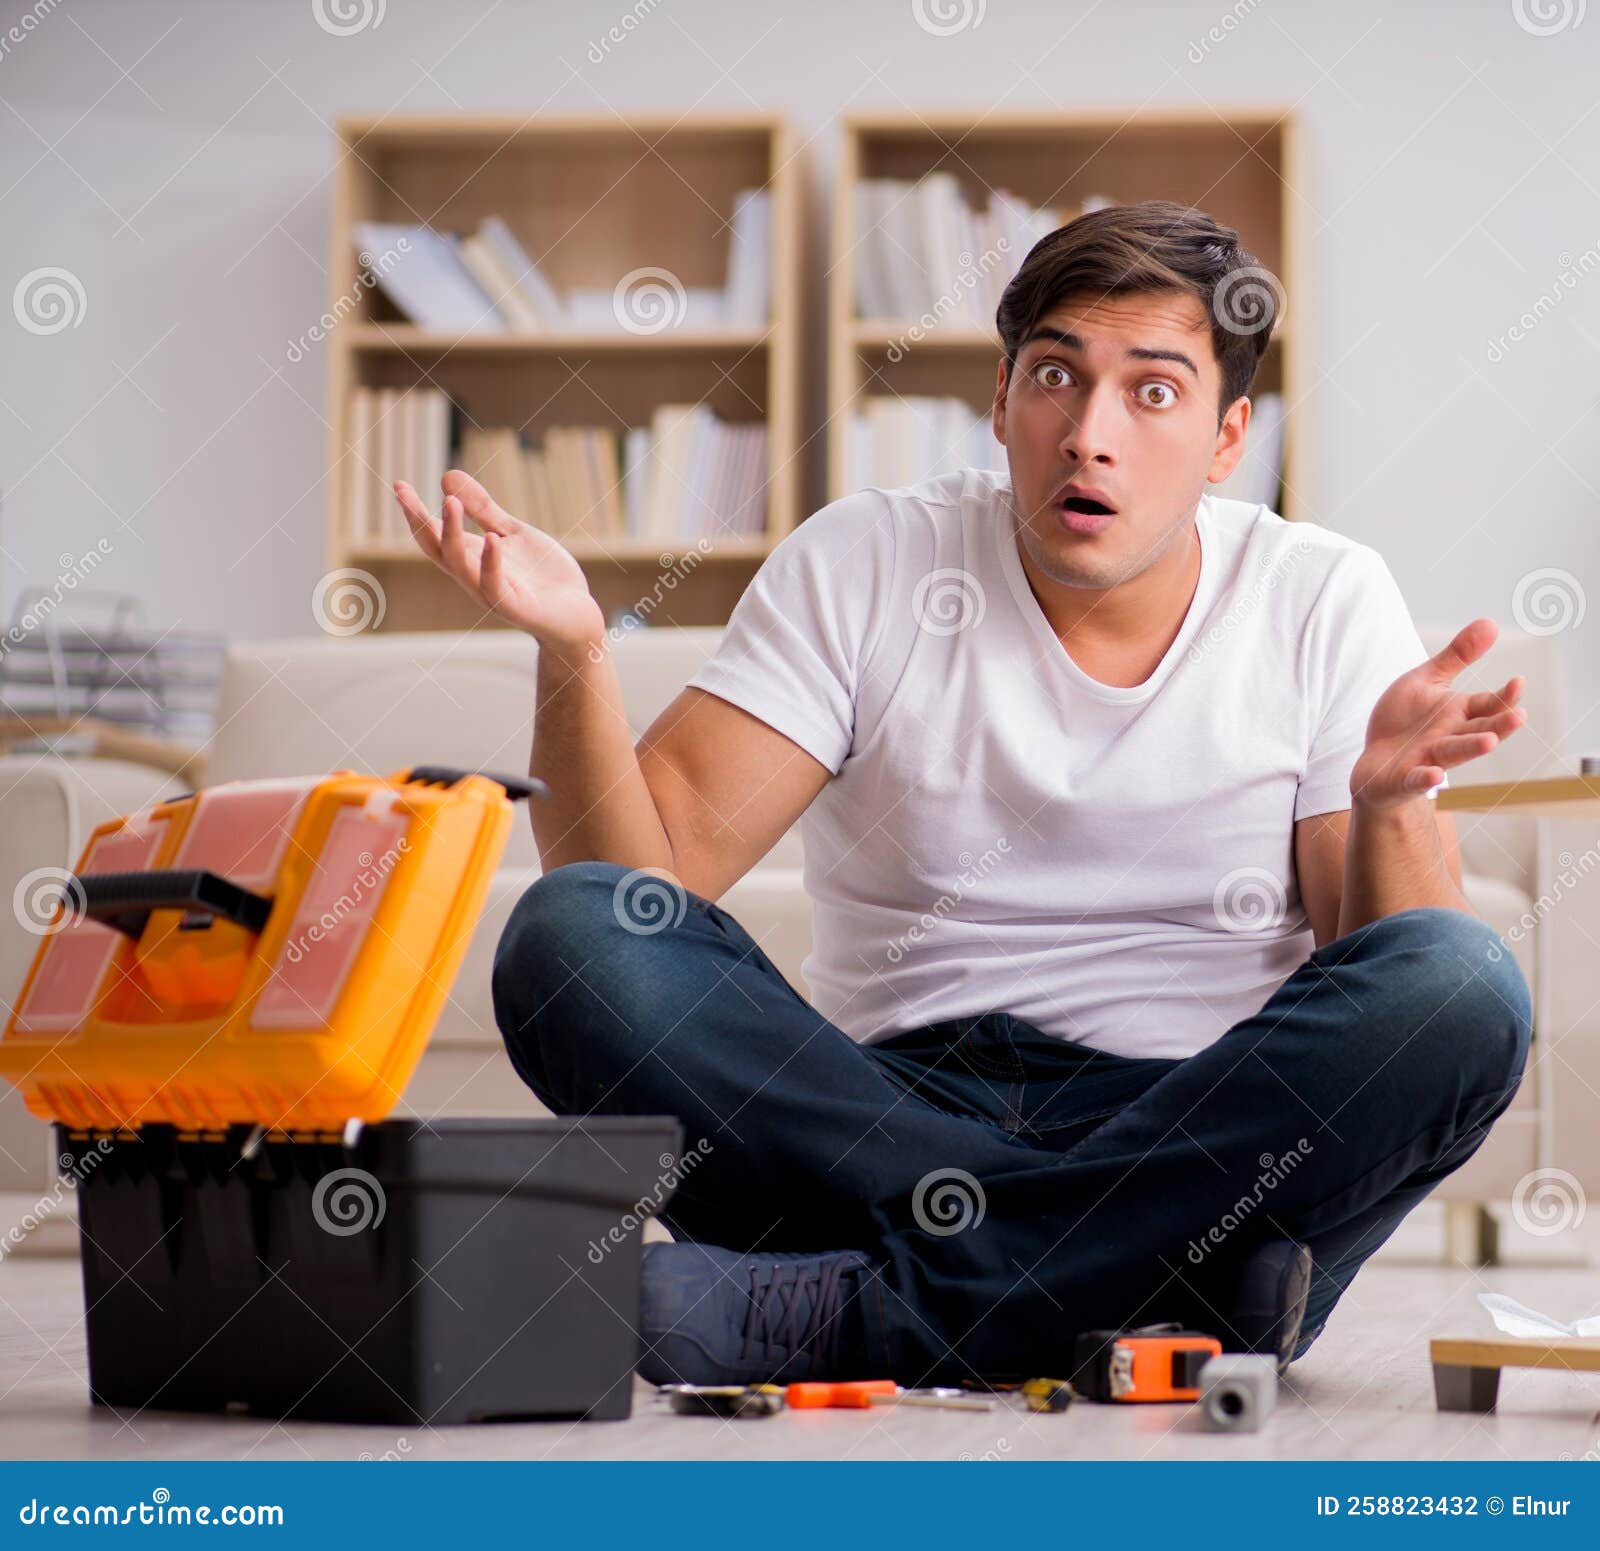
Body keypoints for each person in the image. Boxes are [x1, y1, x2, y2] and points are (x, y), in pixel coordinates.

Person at [390, 200, 1532, 1389]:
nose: (1090, 435)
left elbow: (1381, 968)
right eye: (1054, 376)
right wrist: (575, 653)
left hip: (1197, 1126)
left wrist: (1392, 803)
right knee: (570, 935)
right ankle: (1146, 1300)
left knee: (1457, 979)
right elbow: (637, 888)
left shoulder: (1320, 594)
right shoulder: (871, 559)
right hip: (876, 1121)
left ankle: (850, 1313)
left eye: (1151, 392)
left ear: (1227, 436)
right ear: (999, 401)